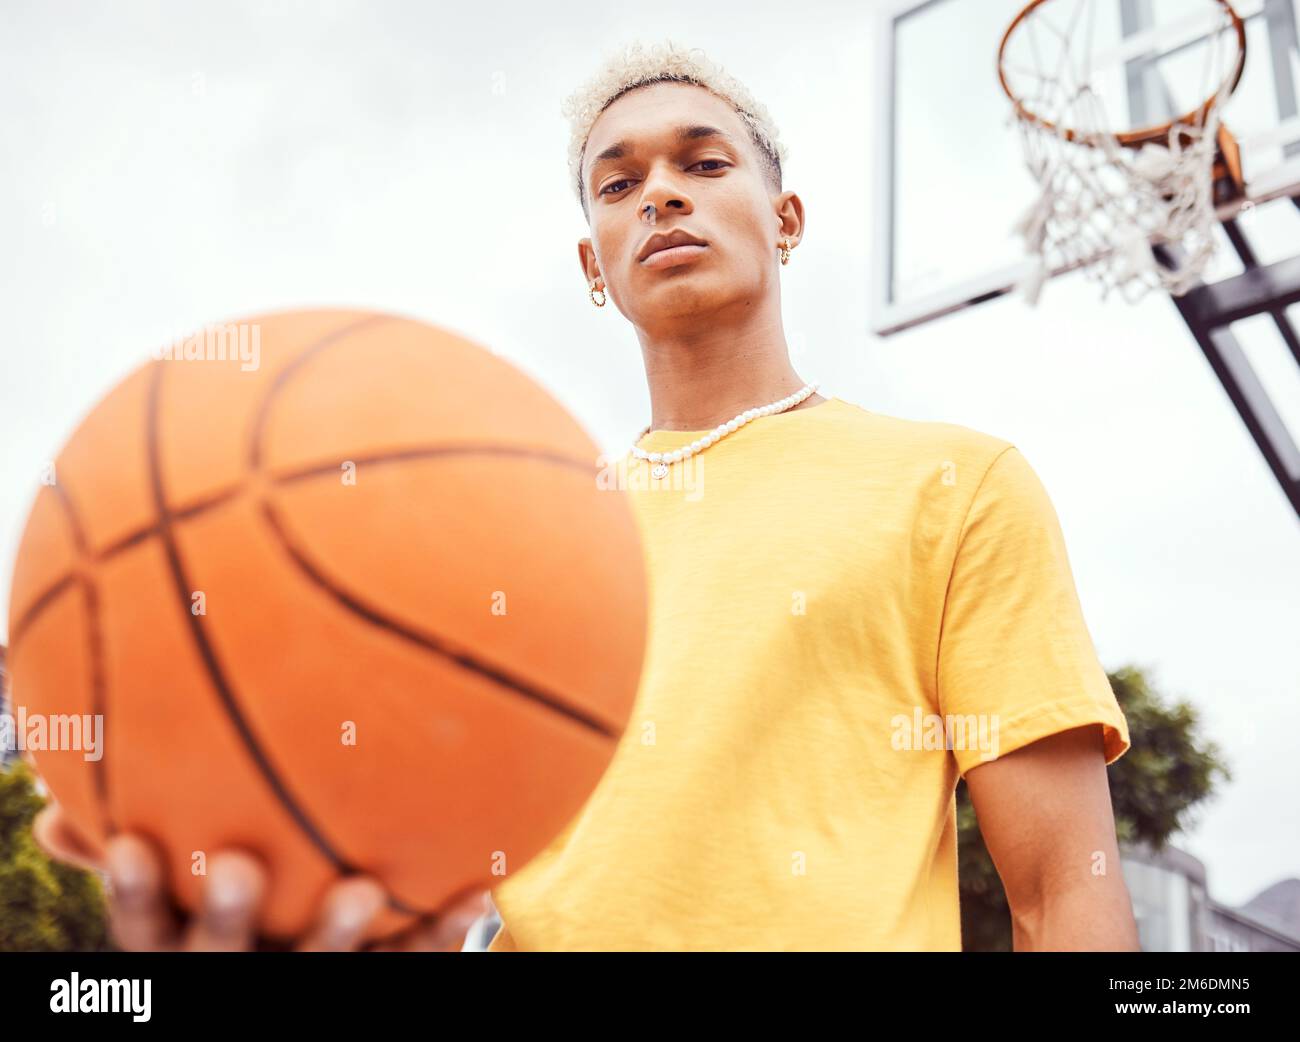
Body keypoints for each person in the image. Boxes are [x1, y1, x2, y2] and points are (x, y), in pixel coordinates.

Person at [35, 39, 1139, 952]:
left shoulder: (954, 485)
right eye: (619, 183)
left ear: (787, 219)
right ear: (592, 263)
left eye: (702, 165)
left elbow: (1061, 891)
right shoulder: (518, 547)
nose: (659, 192)